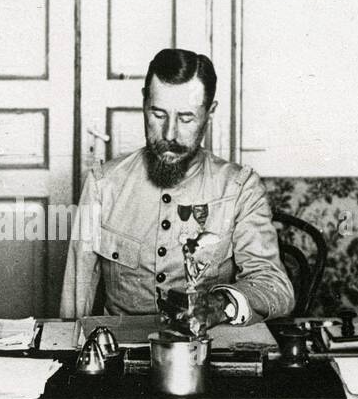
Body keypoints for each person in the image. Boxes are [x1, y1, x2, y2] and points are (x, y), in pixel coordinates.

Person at [60, 48, 294, 329]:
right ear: (144, 103)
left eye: (186, 119)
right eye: (158, 114)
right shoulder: (102, 184)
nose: (169, 134)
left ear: (210, 112)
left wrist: (221, 304)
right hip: (121, 359)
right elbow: (75, 302)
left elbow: (276, 286)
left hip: (205, 355)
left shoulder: (241, 187)